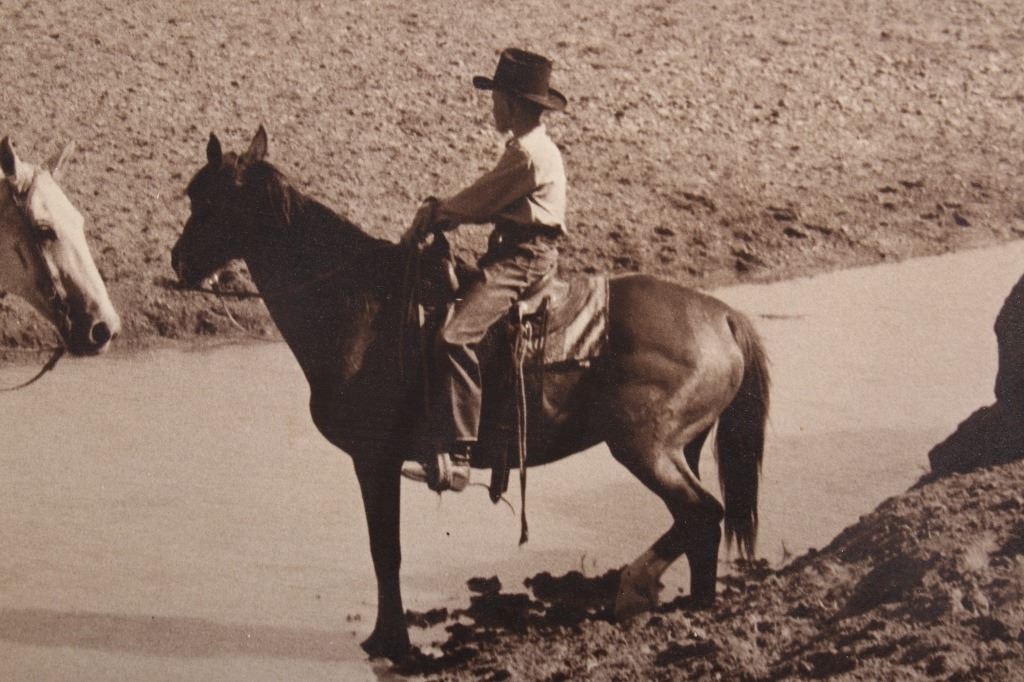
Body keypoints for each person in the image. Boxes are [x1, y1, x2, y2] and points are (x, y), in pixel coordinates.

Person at [400, 47, 569, 492]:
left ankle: (459, 455)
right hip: (515, 252)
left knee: (455, 335)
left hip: (522, 260)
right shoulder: (530, 148)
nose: (492, 106)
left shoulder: (528, 156)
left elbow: (482, 200)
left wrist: (439, 212)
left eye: (496, 97)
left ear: (512, 103)